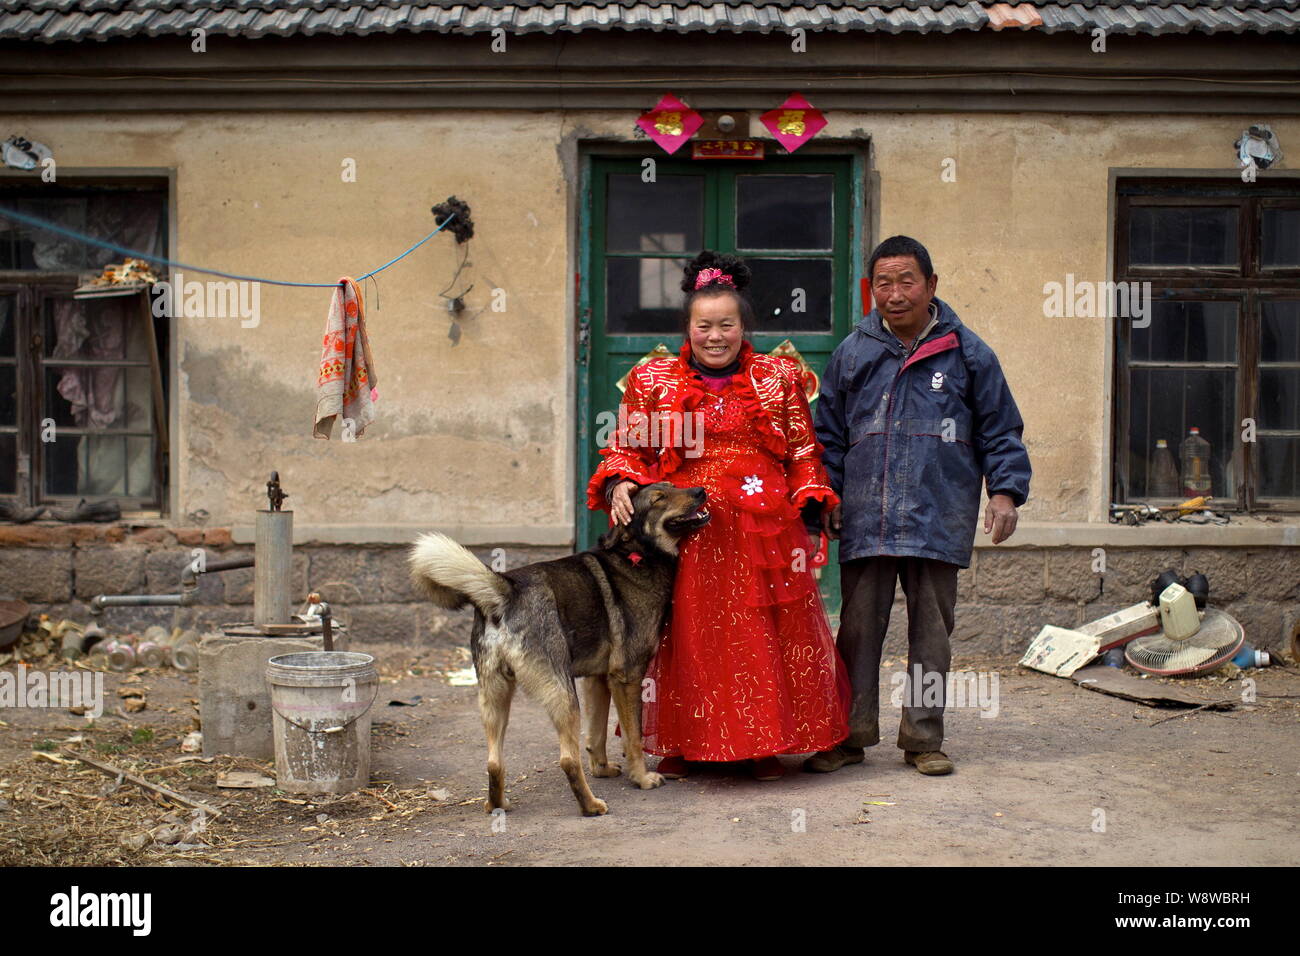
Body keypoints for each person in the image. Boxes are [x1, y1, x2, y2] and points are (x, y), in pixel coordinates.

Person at [587, 251, 850, 781]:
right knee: (690, 635)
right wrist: (619, 479)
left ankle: (762, 744)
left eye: (726, 324)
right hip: (688, 528)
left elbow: (802, 451)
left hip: (762, 526)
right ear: (688, 327)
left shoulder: (778, 378)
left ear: (742, 326)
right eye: (703, 325)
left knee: (761, 635)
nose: (715, 336)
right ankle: (690, 743)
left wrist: (812, 501)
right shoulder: (653, 380)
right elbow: (628, 447)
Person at [805, 235, 1031, 776]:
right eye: (884, 281)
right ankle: (849, 734)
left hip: (938, 512)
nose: (895, 292)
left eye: (907, 280)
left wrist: (1004, 492)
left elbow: (1001, 430)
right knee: (857, 632)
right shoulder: (853, 352)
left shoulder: (968, 353)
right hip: (867, 515)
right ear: (871, 289)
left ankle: (923, 738)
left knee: (931, 634)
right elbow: (827, 437)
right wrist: (827, 496)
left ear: (931, 285)